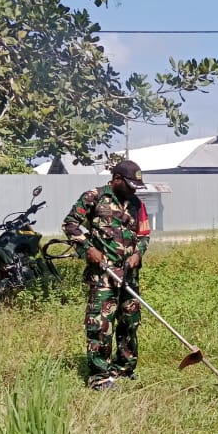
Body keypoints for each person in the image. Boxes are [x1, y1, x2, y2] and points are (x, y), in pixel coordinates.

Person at [62, 159, 151, 390]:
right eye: (129, 185)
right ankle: (100, 375)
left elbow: (144, 235)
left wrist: (138, 254)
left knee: (129, 323)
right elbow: (70, 224)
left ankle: (124, 368)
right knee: (100, 325)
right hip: (103, 276)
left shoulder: (137, 204)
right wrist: (88, 248)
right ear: (117, 179)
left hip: (129, 276)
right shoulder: (94, 197)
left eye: (136, 187)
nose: (133, 190)